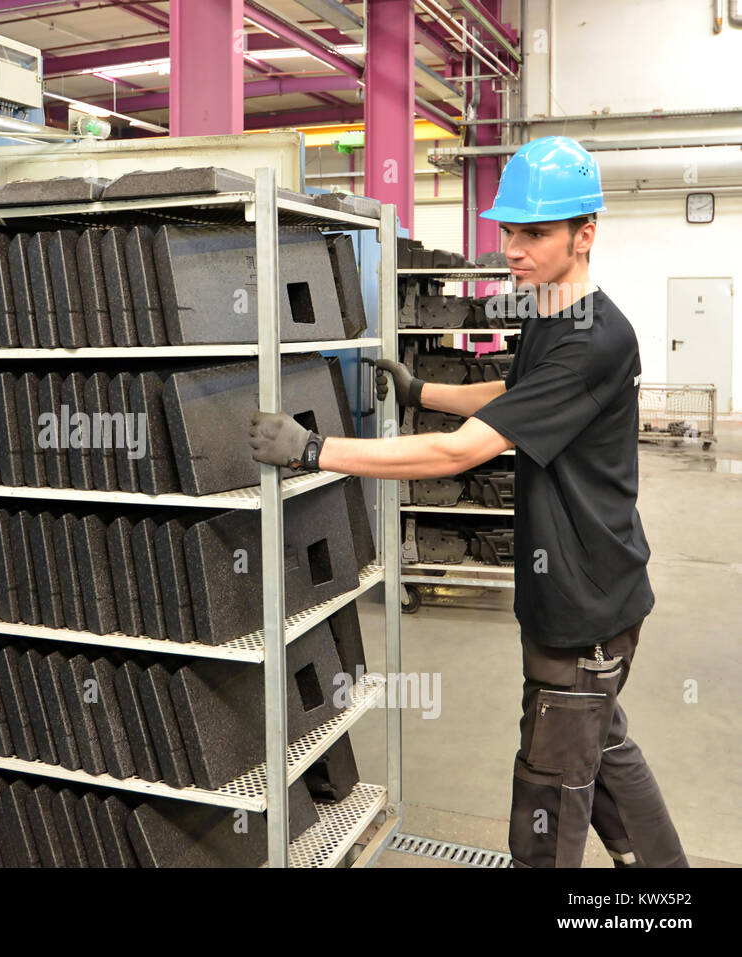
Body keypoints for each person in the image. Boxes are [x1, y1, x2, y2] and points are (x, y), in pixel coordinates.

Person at [249, 136, 688, 868]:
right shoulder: (556, 314)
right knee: (601, 747)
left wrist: (314, 450)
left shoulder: (597, 341)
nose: (514, 248)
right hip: (592, 594)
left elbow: (459, 453)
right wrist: (423, 391)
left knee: (549, 788)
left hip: (584, 606)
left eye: (535, 233)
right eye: (509, 230)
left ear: (586, 233)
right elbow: (512, 393)